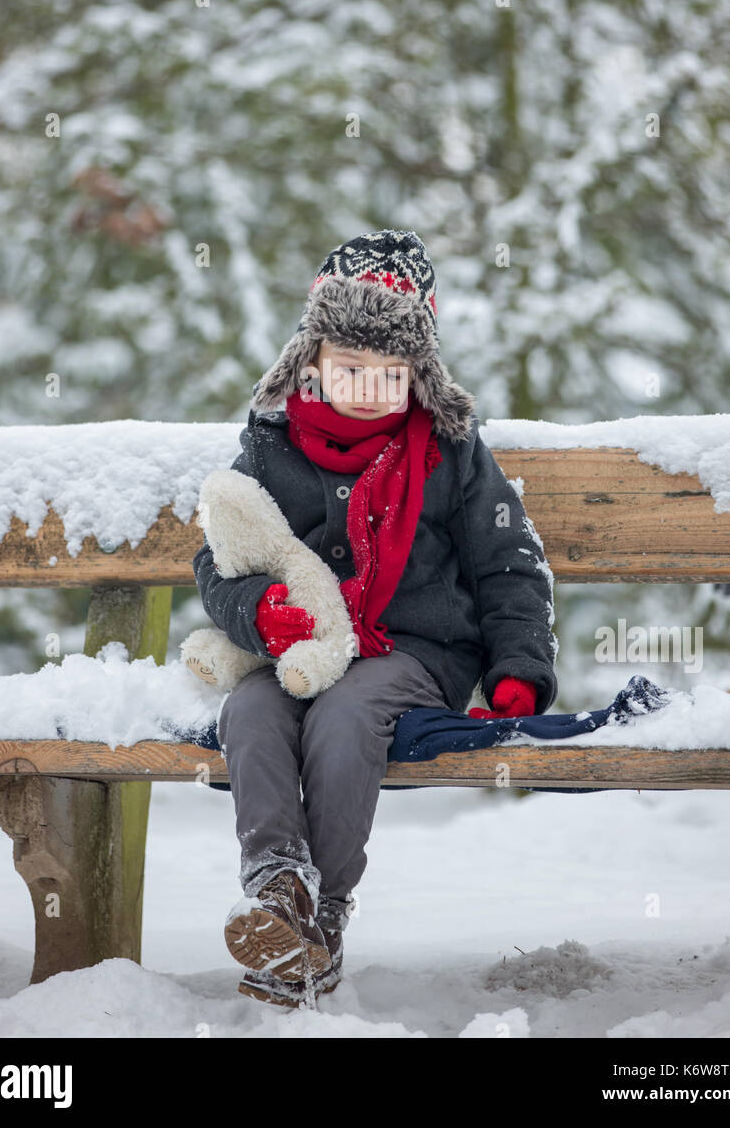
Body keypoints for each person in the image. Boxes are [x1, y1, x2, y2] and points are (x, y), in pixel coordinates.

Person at [192, 228, 558, 1006]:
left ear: (418, 372)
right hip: (299, 652)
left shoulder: (450, 449)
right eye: (351, 368)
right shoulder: (268, 446)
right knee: (251, 712)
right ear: (311, 361)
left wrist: (519, 668)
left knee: (345, 717)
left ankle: (321, 920)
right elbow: (217, 558)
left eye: (391, 373)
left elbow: (508, 562)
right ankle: (278, 888)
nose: (368, 388)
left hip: (415, 652)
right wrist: (258, 611)